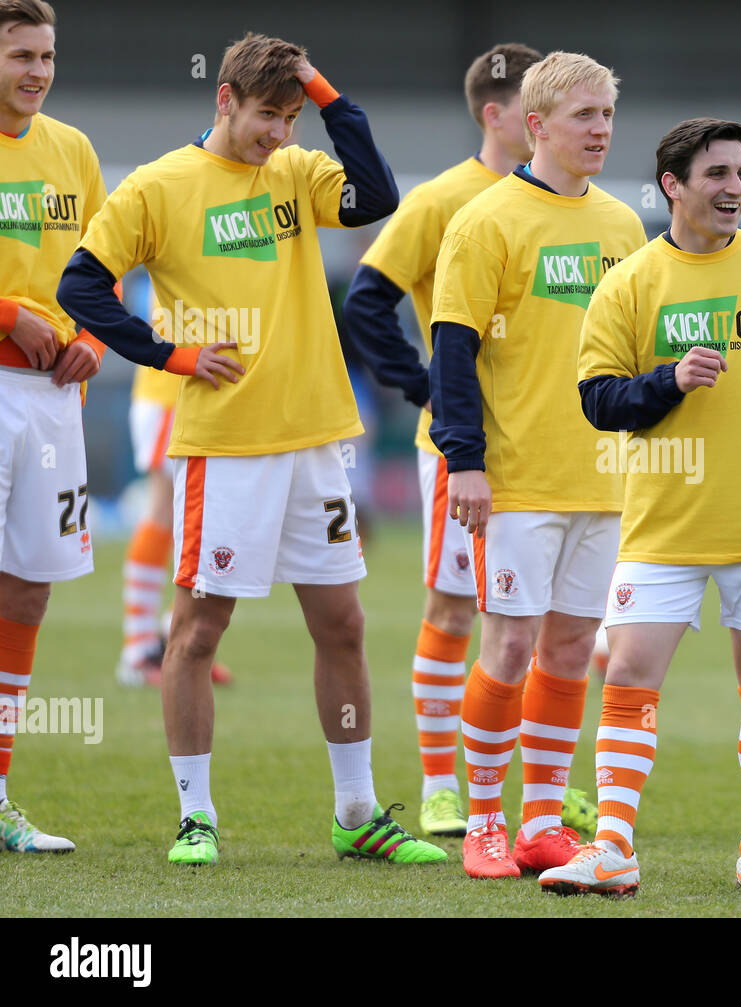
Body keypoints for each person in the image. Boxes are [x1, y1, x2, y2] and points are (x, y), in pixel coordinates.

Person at [58, 32, 445, 867]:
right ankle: (196, 816)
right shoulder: (158, 187)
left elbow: (375, 192)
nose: (280, 133)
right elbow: (80, 285)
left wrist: (323, 90)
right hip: (225, 446)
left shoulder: (298, 174)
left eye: (292, 117)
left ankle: (357, 811)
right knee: (198, 632)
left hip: (317, 441)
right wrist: (171, 355)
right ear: (224, 98)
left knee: (342, 624)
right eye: (268, 115)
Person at [539, 117, 741, 898]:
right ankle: (612, 846)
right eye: (718, 174)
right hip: (662, 524)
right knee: (631, 674)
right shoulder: (632, 282)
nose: (735, 188)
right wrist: (667, 382)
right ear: (674, 185)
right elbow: (598, 401)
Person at [344, 42, 594, 838]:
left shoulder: (588, 209)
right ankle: (444, 781)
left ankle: (542, 790)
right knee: (459, 609)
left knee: (550, 624)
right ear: (500, 114)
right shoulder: (442, 201)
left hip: (563, 452)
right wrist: (426, 388)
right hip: (466, 450)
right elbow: (367, 301)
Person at [427, 51, 645, 878]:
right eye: (584, 116)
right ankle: (484, 818)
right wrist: (466, 462)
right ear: (534, 124)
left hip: (602, 476)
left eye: (608, 115)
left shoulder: (623, 225)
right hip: (515, 477)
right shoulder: (487, 219)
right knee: (508, 645)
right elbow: (453, 350)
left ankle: (542, 821)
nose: (600, 130)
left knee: (569, 648)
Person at [0, 0, 106, 853]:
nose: (36, 71)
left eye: (46, 55)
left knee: (29, 587)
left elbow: (97, 272)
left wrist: (92, 340)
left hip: (50, 398)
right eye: (20, 55)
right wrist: (8, 313)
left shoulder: (72, 149)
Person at [117, 277, 233, 688]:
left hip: (190, 392)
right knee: (167, 511)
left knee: (212, 521)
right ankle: (139, 649)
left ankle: (172, 639)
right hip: (172, 394)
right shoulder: (173, 231)